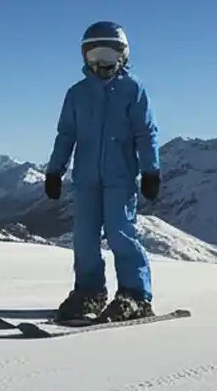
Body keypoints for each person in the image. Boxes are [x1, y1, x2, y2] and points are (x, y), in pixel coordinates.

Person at [44, 21, 161, 323]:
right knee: (84, 238)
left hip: (119, 178)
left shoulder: (133, 90)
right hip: (85, 179)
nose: (101, 64)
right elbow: (66, 134)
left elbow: (146, 133)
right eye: (95, 57)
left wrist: (151, 170)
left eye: (108, 57)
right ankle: (89, 292)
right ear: (85, 58)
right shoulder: (77, 93)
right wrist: (55, 170)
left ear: (122, 57)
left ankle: (135, 295)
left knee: (121, 234)